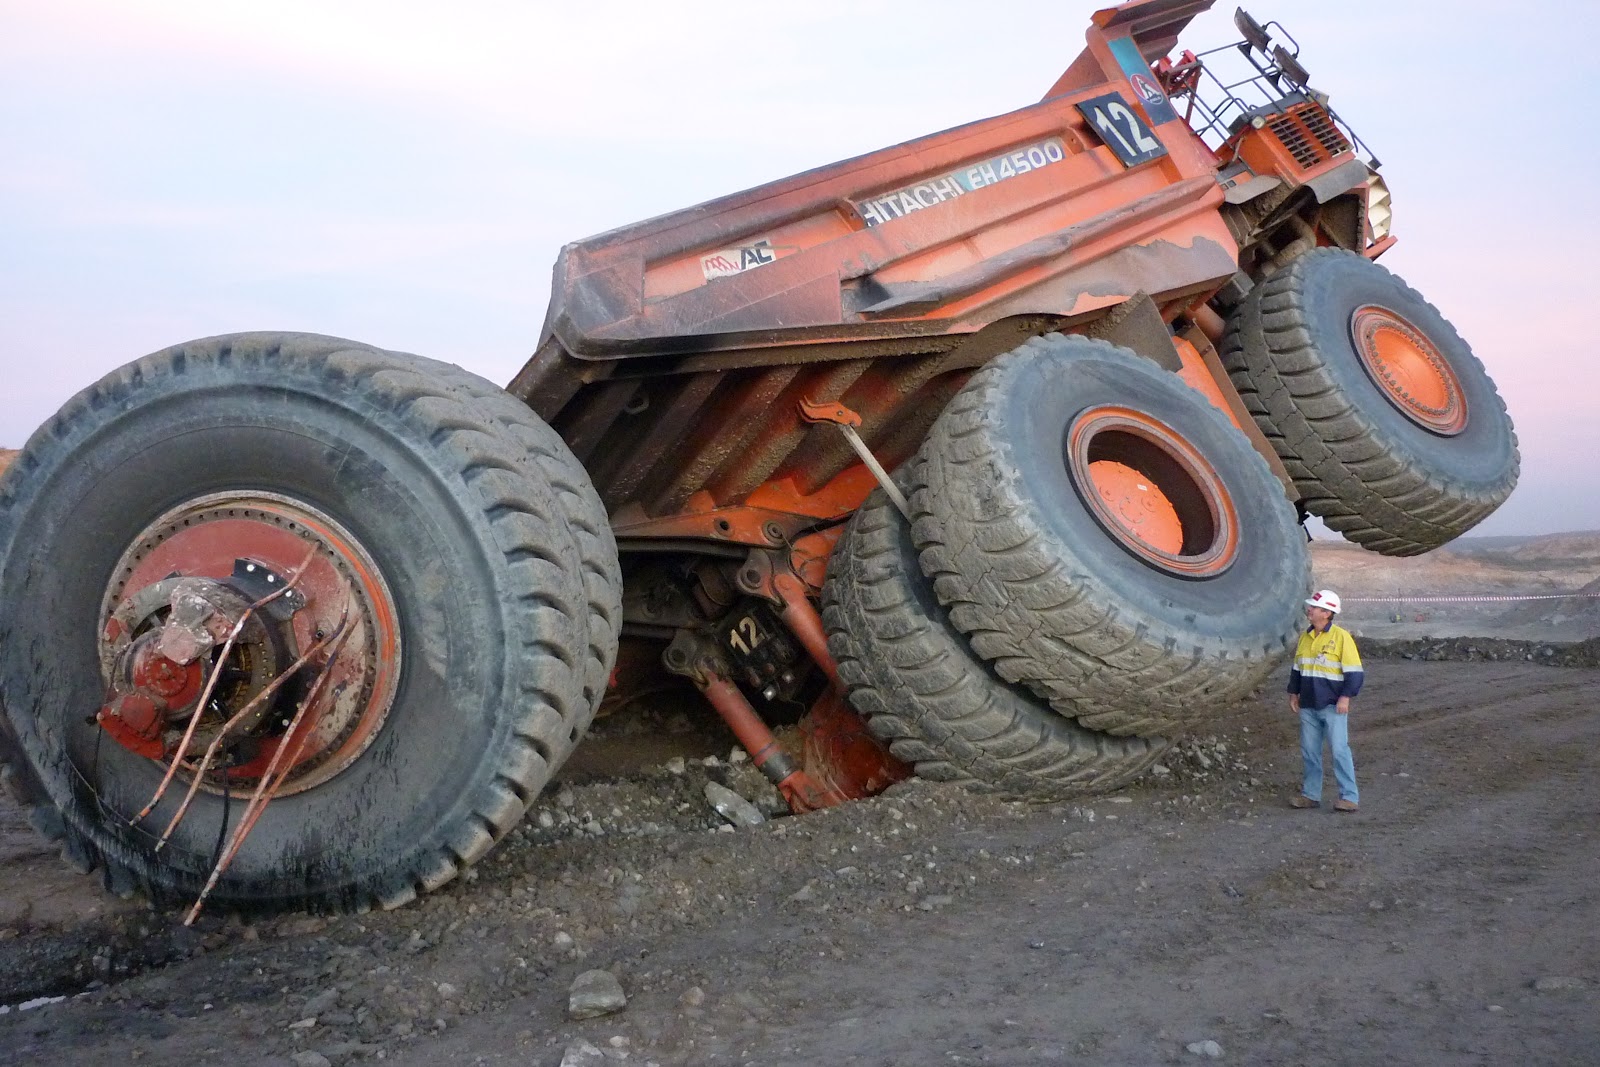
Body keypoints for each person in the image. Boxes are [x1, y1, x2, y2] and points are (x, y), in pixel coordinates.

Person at [1287, 589, 1363, 812]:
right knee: (1310, 752)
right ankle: (1311, 795)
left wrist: (1345, 697)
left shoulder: (1341, 638)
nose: (1309, 610)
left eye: (1314, 607)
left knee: (1339, 750)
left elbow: (1355, 673)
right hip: (1308, 704)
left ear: (1327, 613)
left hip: (1333, 705)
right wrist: (1294, 692)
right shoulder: (1305, 637)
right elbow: (1297, 669)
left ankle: (1349, 797)